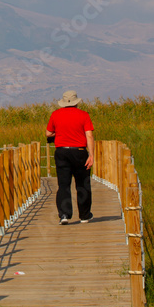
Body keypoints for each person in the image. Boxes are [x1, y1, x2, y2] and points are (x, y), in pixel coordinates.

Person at [46, 90, 94, 225]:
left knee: (63, 184)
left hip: (62, 152)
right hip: (79, 152)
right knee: (83, 184)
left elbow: (48, 132)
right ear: (76, 103)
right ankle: (84, 215)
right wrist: (91, 155)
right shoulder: (84, 115)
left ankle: (64, 215)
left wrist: (58, 134)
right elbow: (89, 135)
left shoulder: (55, 114)